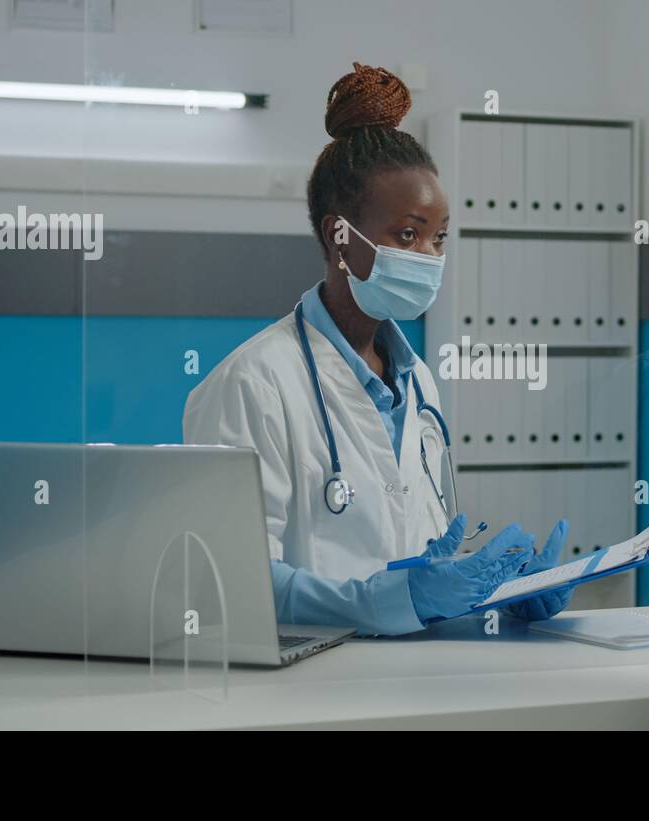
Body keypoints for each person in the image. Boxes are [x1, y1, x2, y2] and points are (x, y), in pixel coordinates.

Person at [184, 62, 571, 636]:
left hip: (409, 680)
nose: (429, 256)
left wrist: (495, 593)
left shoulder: (416, 384)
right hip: (302, 695)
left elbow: (409, 566)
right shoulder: (253, 384)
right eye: (407, 234)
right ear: (338, 235)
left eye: (439, 237)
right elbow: (226, 581)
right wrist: (387, 601)